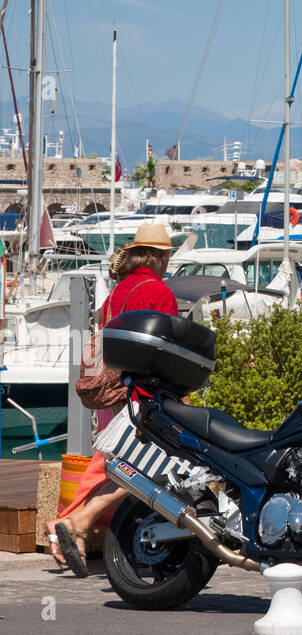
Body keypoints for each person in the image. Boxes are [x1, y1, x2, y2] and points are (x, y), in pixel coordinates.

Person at [48, 224, 179, 576]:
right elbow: (166, 350)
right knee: (147, 466)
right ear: (158, 256)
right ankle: (77, 522)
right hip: (143, 395)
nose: (169, 261)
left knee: (117, 464)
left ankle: (78, 527)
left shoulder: (118, 292)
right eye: (168, 255)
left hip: (115, 394)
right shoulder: (158, 291)